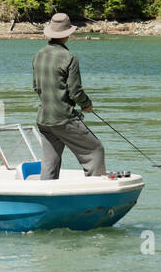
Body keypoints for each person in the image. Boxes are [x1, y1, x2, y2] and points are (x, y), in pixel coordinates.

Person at [32, 13, 106, 179]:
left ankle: (46, 197)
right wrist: (87, 105)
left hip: (43, 119)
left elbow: (36, 87)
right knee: (95, 151)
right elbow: (75, 92)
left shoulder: (39, 55)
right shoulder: (69, 58)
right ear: (67, 34)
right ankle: (95, 193)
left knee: (49, 164)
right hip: (64, 118)